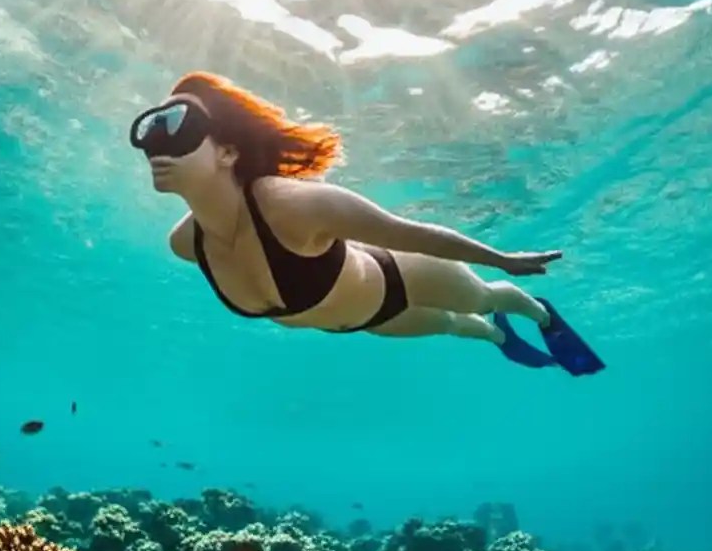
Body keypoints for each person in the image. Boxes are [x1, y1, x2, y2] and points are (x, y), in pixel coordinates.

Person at [128, 71, 603, 376]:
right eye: (149, 128)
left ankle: (541, 316)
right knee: (461, 328)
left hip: (398, 274)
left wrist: (502, 260)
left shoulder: (291, 206)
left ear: (228, 150)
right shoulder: (186, 244)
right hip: (367, 321)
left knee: (484, 296)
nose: (155, 145)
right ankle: (501, 337)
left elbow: (406, 234)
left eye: (178, 124)